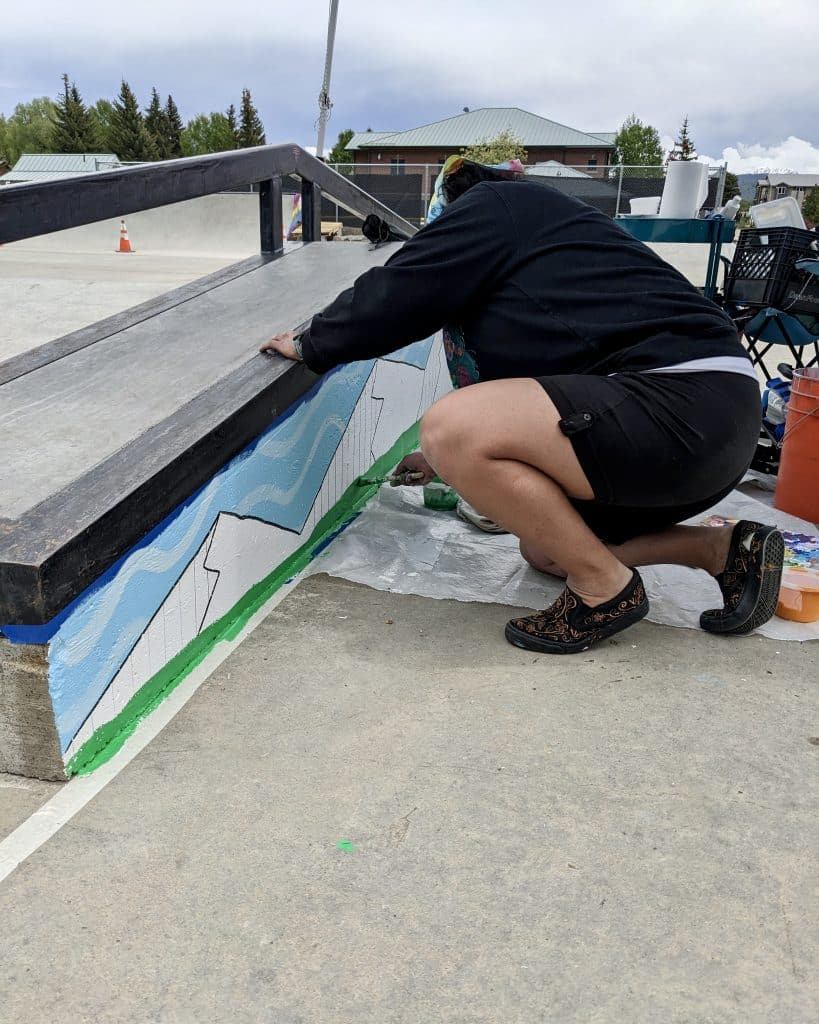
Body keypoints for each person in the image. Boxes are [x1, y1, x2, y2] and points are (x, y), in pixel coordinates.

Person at [261, 159, 784, 654]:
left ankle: (605, 590)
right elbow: (542, 405)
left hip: (683, 403)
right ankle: (719, 551)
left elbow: (402, 290)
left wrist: (313, 344)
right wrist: (442, 463)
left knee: (447, 426)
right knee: (548, 549)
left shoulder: (493, 205)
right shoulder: (542, 244)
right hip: (710, 428)